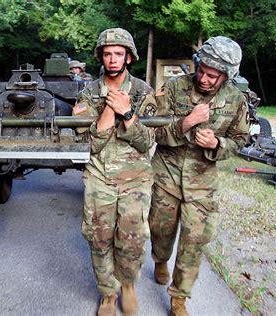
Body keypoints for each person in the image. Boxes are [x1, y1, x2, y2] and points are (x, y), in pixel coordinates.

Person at [149, 36, 249, 316]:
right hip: (166, 177)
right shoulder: (173, 88)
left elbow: (239, 140)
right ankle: (160, 259)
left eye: (212, 75)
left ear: (226, 76)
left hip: (202, 184)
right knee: (160, 230)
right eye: (202, 70)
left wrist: (217, 144)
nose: (204, 78)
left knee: (194, 242)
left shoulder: (235, 100)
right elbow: (152, 130)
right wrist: (186, 123)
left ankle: (179, 299)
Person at [73, 28, 158, 316]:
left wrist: (127, 112)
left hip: (136, 177)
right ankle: (108, 293)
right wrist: (109, 110)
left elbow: (148, 141)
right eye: (107, 54)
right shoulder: (87, 94)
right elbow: (88, 145)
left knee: (132, 239)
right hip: (99, 176)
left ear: (129, 57)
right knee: (98, 238)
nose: (112, 59)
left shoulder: (144, 92)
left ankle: (129, 285)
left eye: (118, 54)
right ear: (100, 57)